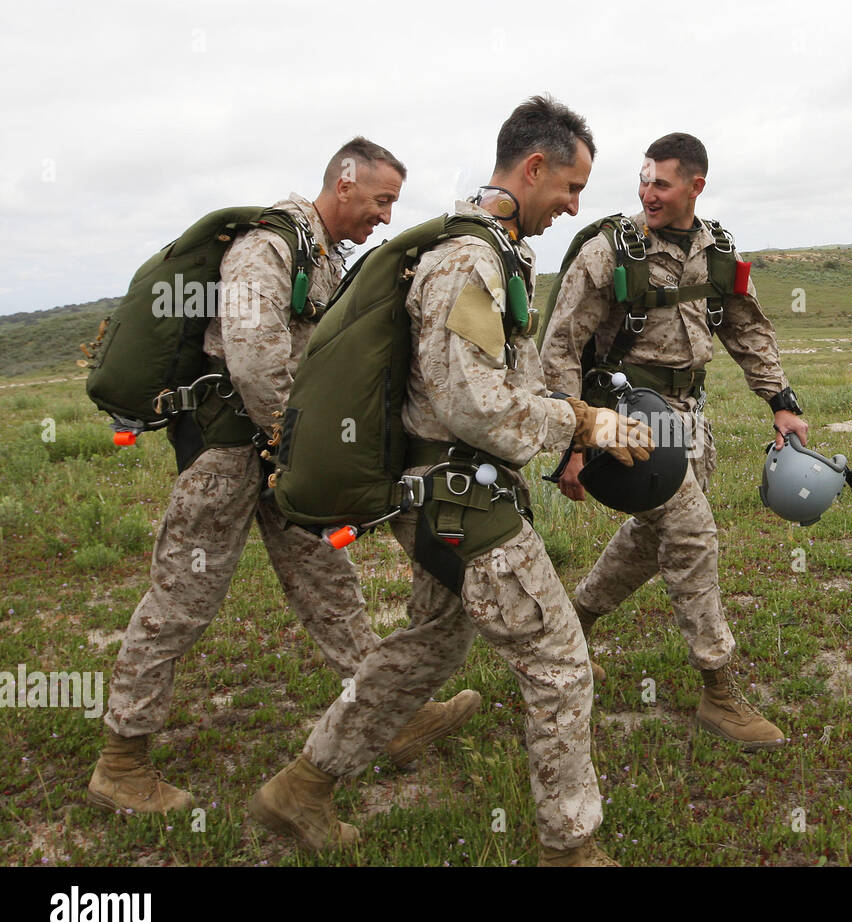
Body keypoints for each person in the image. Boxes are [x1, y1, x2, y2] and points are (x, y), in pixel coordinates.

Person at [248, 96, 652, 866]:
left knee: (430, 642)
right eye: (571, 188)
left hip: (450, 496)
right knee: (561, 661)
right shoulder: (469, 261)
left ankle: (300, 788)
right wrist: (583, 423)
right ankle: (571, 849)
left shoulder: (491, 251)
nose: (574, 208)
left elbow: (493, 384)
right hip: (456, 499)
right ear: (533, 167)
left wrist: (572, 415)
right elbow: (473, 404)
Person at [89, 138, 480, 815]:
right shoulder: (268, 244)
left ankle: (388, 715)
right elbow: (251, 353)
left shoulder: (320, 255)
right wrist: (301, 441)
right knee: (182, 599)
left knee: (329, 585)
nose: (385, 217)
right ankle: (120, 760)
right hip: (229, 453)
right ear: (346, 182)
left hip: (277, 455)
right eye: (382, 200)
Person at [540, 132, 810, 751]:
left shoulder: (717, 252)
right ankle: (718, 689)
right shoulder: (611, 249)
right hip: (626, 420)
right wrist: (572, 439)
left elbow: (746, 328)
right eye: (643, 181)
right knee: (692, 534)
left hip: (688, 418)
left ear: (695, 186)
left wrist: (782, 402)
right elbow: (560, 343)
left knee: (649, 535)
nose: (647, 193)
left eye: (661, 183)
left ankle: (572, 627)